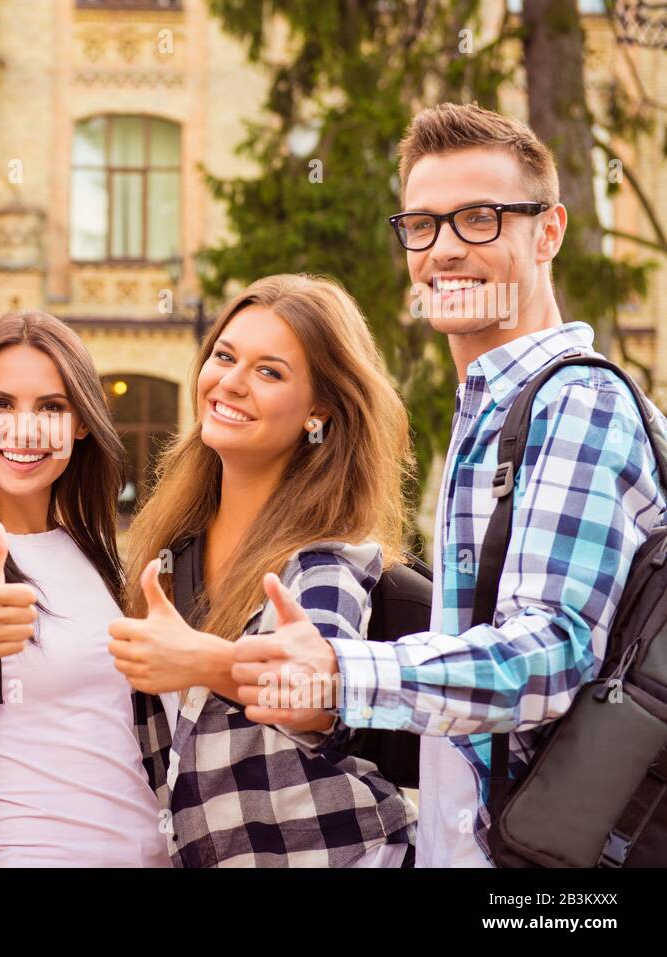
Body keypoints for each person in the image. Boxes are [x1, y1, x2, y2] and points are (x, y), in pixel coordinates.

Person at [228, 103, 667, 866]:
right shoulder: (495, 411)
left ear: (549, 231)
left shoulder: (577, 403)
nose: (444, 251)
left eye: (479, 219)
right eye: (422, 226)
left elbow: (549, 657)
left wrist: (340, 669)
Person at [107, 274, 417, 867]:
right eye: (224, 356)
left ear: (317, 414)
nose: (231, 382)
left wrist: (201, 660)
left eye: (269, 372)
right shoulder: (172, 550)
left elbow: (319, 694)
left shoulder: (327, 558)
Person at [0, 311, 172, 867]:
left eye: (51, 407)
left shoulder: (100, 559)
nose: (25, 430)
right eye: (1, 404)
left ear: (80, 424)